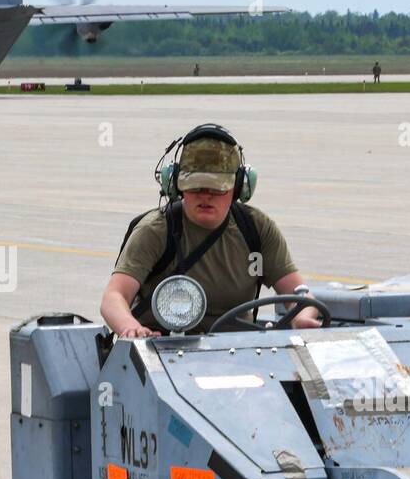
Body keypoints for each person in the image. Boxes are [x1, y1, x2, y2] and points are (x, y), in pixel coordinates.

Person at [101, 125, 320, 337]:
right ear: (176, 186)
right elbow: (114, 297)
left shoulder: (256, 229)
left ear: (238, 188)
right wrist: (131, 328)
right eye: (195, 187)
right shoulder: (155, 231)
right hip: (163, 352)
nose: (206, 196)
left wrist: (302, 316)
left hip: (238, 355)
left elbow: (298, 293)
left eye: (217, 189)